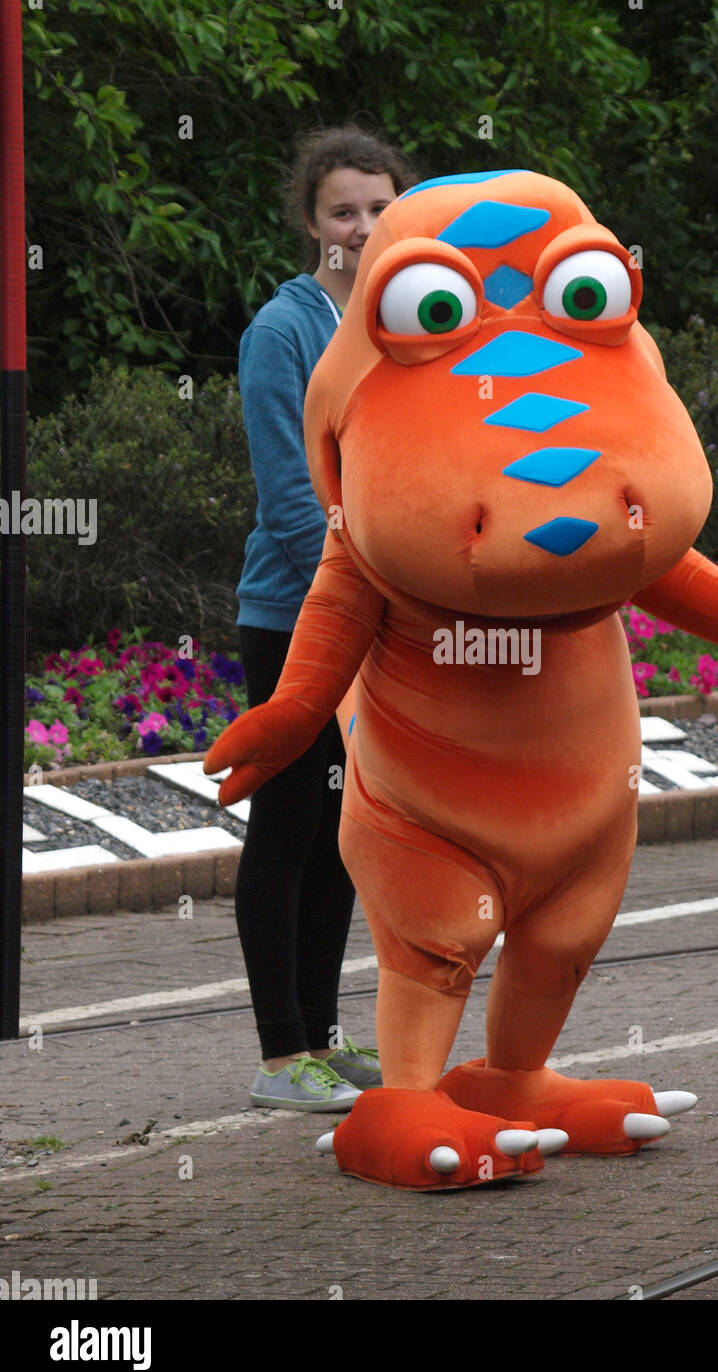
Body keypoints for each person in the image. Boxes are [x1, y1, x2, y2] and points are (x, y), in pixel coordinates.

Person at [233, 125, 415, 1111]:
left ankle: (324, 1036)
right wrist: (361, 600)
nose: (362, 226)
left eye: (381, 207)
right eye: (343, 209)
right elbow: (291, 500)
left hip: (377, 607)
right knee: (289, 821)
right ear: (312, 217)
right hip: (294, 616)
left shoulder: (407, 322)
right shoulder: (282, 332)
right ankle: (278, 1059)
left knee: (344, 829)